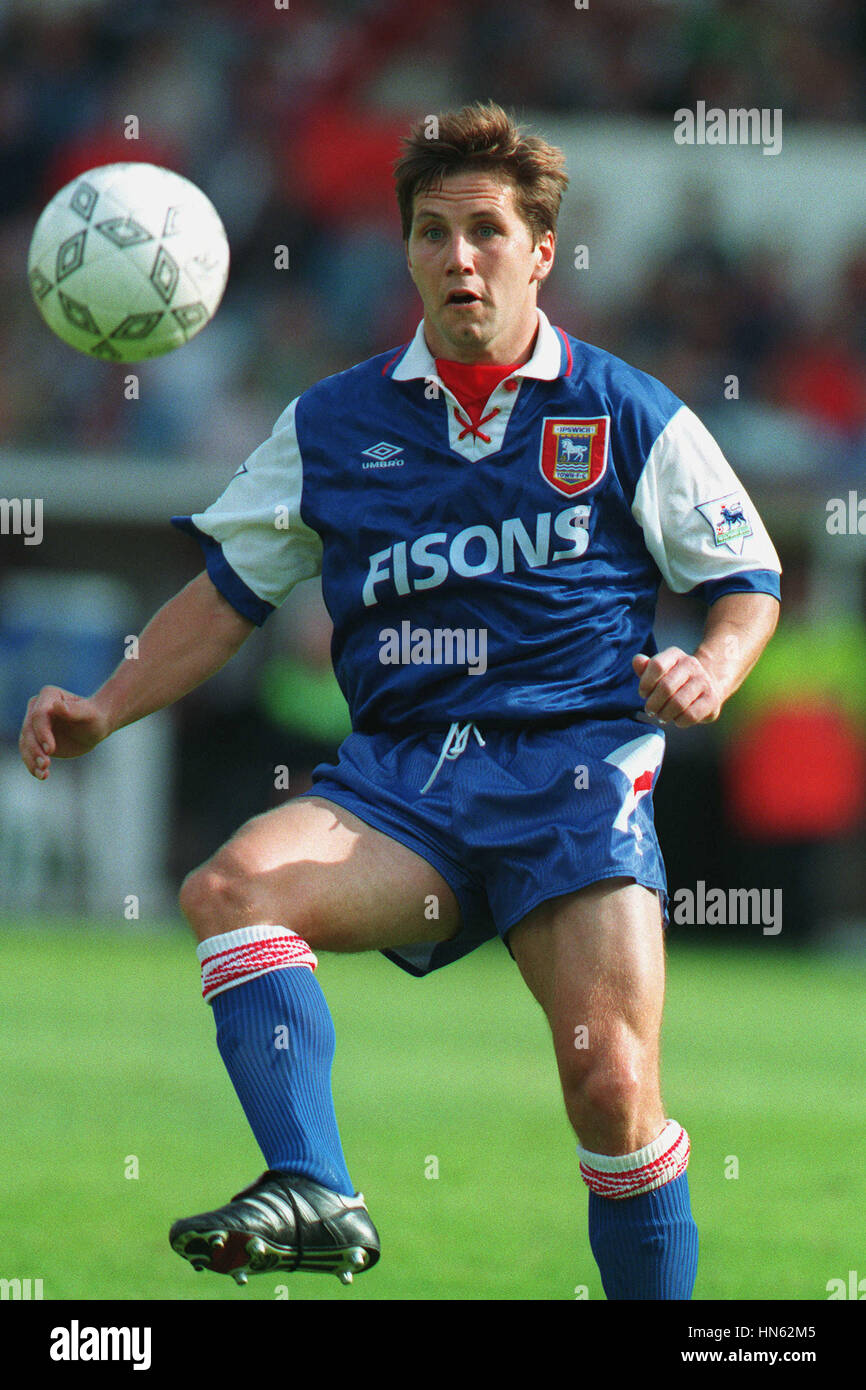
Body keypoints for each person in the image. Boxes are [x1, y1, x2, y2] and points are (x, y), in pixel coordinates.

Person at [19, 101, 781, 1300]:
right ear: (409, 252)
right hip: (404, 790)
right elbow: (228, 593)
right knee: (230, 889)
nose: (457, 256)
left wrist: (710, 669)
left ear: (539, 251)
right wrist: (108, 704)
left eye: (485, 229)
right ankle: (316, 1189)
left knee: (613, 1092)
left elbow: (744, 581)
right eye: (432, 232)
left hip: (572, 781)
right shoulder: (330, 424)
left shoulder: (627, 411)